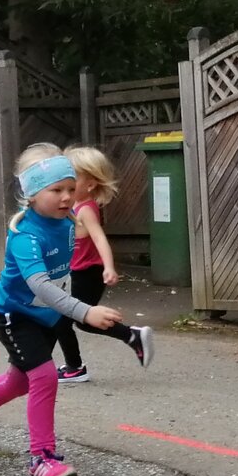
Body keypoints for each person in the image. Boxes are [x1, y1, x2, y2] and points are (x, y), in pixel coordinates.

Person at [0, 144, 152, 476]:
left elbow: (63, 276)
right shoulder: (25, 235)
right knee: (43, 377)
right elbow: (41, 285)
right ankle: (41, 458)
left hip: (49, 316)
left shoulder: (68, 223)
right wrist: (85, 311)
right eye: (56, 190)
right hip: (16, 316)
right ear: (31, 193)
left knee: (20, 381)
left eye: (70, 189)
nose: (66, 197)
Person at [52, 145, 146, 383]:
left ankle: (75, 367)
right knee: (75, 320)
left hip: (88, 274)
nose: (66, 186)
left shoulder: (86, 210)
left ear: (90, 184)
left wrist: (109, 266)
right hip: (74, 274)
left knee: (67, 319)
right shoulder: (69, 208)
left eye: (72, 180)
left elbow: (100, 238)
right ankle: (131, 336)